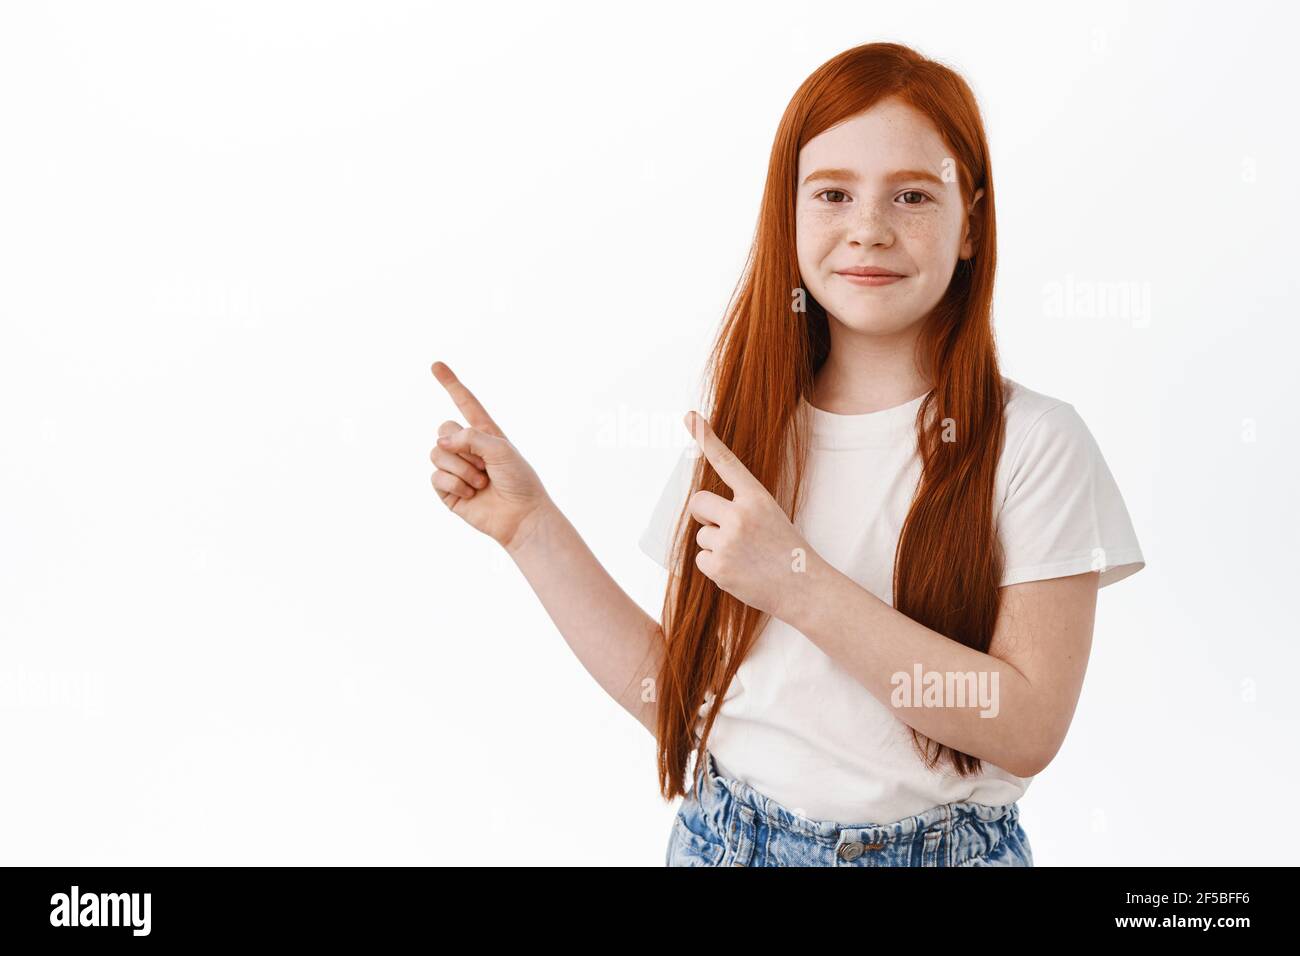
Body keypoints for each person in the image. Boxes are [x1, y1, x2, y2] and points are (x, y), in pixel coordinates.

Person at [429, 41, 1145, 867]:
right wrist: (529, 527)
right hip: (723, 841)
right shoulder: (749, 431)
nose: (869, 229)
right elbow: (684, 703)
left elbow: (1027, 729)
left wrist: (797, 583)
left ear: (971, 223)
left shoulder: (1037, 445)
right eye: (833, 193)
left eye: (912, 195)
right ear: (790, 214)